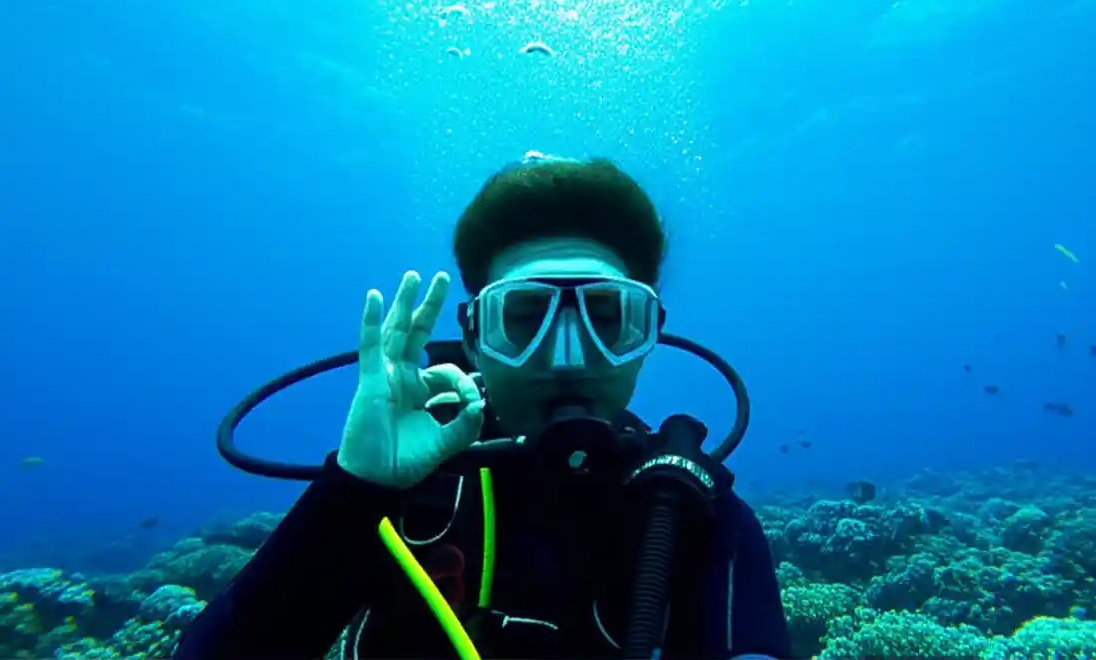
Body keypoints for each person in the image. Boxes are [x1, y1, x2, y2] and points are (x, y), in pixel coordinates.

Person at [175, 155, 792, 660]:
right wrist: (354, 491)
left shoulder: (694, 512)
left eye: (609, 318)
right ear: (472, 337)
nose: (569, 357)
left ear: (649, 335)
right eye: (523, 318)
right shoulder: (403, 499)